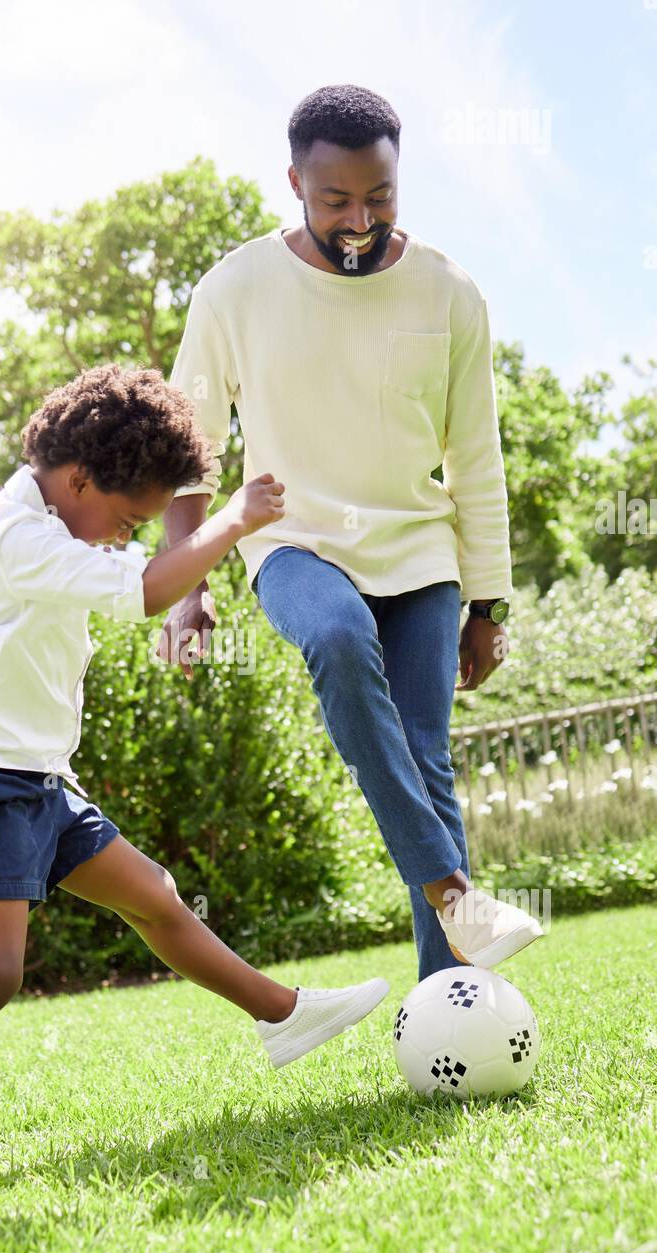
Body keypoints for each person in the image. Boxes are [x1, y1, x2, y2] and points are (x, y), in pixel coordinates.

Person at [0, 363, 390, 1208]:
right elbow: (147, 590)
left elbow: (139, 584)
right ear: (77, 479)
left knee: (152, 894)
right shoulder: (18, 531)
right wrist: (231, 517)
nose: (125, 538)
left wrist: (183, 579)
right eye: (125, 520)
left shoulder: (53, 521)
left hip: (33, 778)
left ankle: (282, 1014)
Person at [156, 83, 548, 982]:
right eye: (336, 201)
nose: (360, 220)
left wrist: (487, 602)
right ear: (294, 181)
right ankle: (454, 895)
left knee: (424, 760)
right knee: (334, 636)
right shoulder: (235, 289)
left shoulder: (449, 293)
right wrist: (189, 585)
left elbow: (475, 460)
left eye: (380, 197)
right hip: (292, 542)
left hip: (420, 553)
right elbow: (189, 450)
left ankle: (452, 1003)